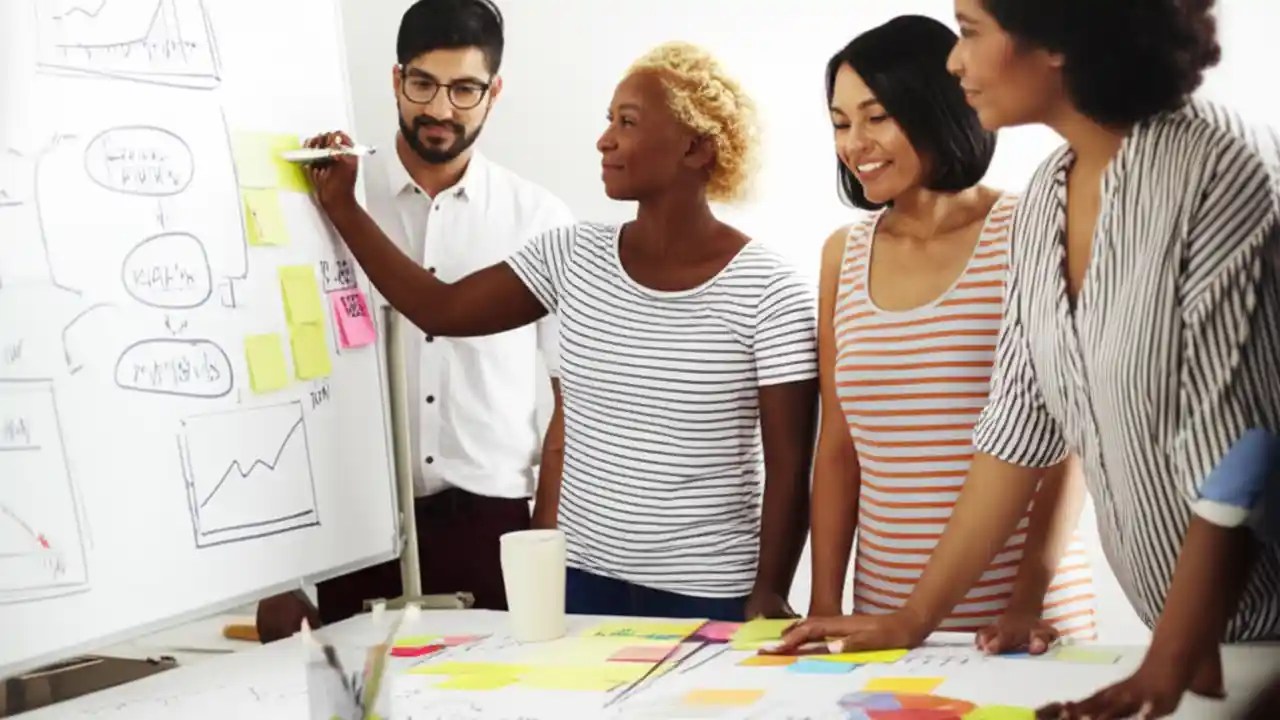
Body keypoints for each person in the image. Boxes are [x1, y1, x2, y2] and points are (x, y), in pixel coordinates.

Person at [778, 1, 1280, 717]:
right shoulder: (1050, 196)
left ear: (1059, 37)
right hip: (1187, 639)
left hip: (1248, 638)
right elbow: (1018, 428)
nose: (955, 61)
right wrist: (910, 620)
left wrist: (1164, 658)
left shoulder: (1224, 171)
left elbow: (1246, 453)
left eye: (972, 30)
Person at [302, 41, 818, 622]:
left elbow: (791, 465)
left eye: (627, 123)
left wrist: (771, 590)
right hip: (583, 586)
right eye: (608, 120)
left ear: (696, 147)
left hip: (708, 590)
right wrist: (344, 206)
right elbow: (440, 310)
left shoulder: (769, 289)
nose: (605, 140)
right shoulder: (572, 256)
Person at [255, 0, 571, 640]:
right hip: (352, 531)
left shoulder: (539, 219)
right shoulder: (325, 197)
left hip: (491, 525)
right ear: (396, 79)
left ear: (494, 92)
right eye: (424, 84)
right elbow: (276, 382)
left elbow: (575, 398)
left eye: (464, 89)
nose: (441, 109)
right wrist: (278, 575)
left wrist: (543, 544)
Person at [805, 15, 1096, 655]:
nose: (854, 143)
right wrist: (825, 600)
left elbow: (1068, 438)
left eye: (876, 116)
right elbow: (838, 446)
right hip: (884, 616)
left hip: (1025, 620)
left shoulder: (1030, 225)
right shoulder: (841, 255)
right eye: (839, 122)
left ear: (933, 104)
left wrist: (1028, 601)